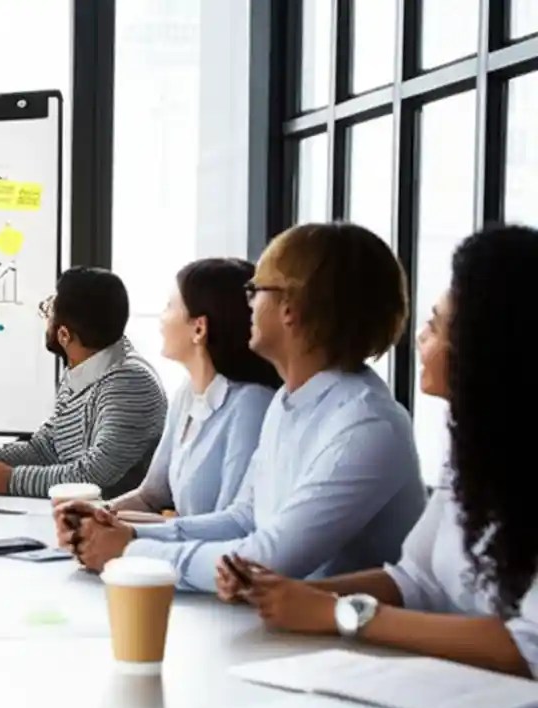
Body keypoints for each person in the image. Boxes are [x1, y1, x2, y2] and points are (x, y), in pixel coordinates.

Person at [229, 226, 538, 678]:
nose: (419, 338)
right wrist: (291, 595)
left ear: (486, 349)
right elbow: (416, 580)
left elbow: (529, 646)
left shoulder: (369, 423)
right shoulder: (475, 450)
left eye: (435, 325)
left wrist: (340, 614)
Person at [56, 223, 425, 590]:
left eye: (255, 290)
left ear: (290, 308)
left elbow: (267, 559)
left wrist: (130, 551)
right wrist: (125, 532)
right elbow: (244, 518)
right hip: (286, 633)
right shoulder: (288, 402)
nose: (246, 304)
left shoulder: (366, 426)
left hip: (342, 644)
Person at [0, 266, 168, 499]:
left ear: (64, 335)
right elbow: (46, 449)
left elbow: (96, 474)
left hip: (115, 526)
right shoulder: (83, 368)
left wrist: (12, 480)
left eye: (49, 310)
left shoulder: (129, 382)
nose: (45, 317)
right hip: (76, 517)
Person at [104, 258, 280, 520]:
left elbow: (231, 525)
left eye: (169, 307)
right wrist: (98, 514)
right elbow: (151, 497)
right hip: (178, 548)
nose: (161, 319)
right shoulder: (187, 393)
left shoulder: (252, 405)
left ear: (199, 328)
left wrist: (125, 531)